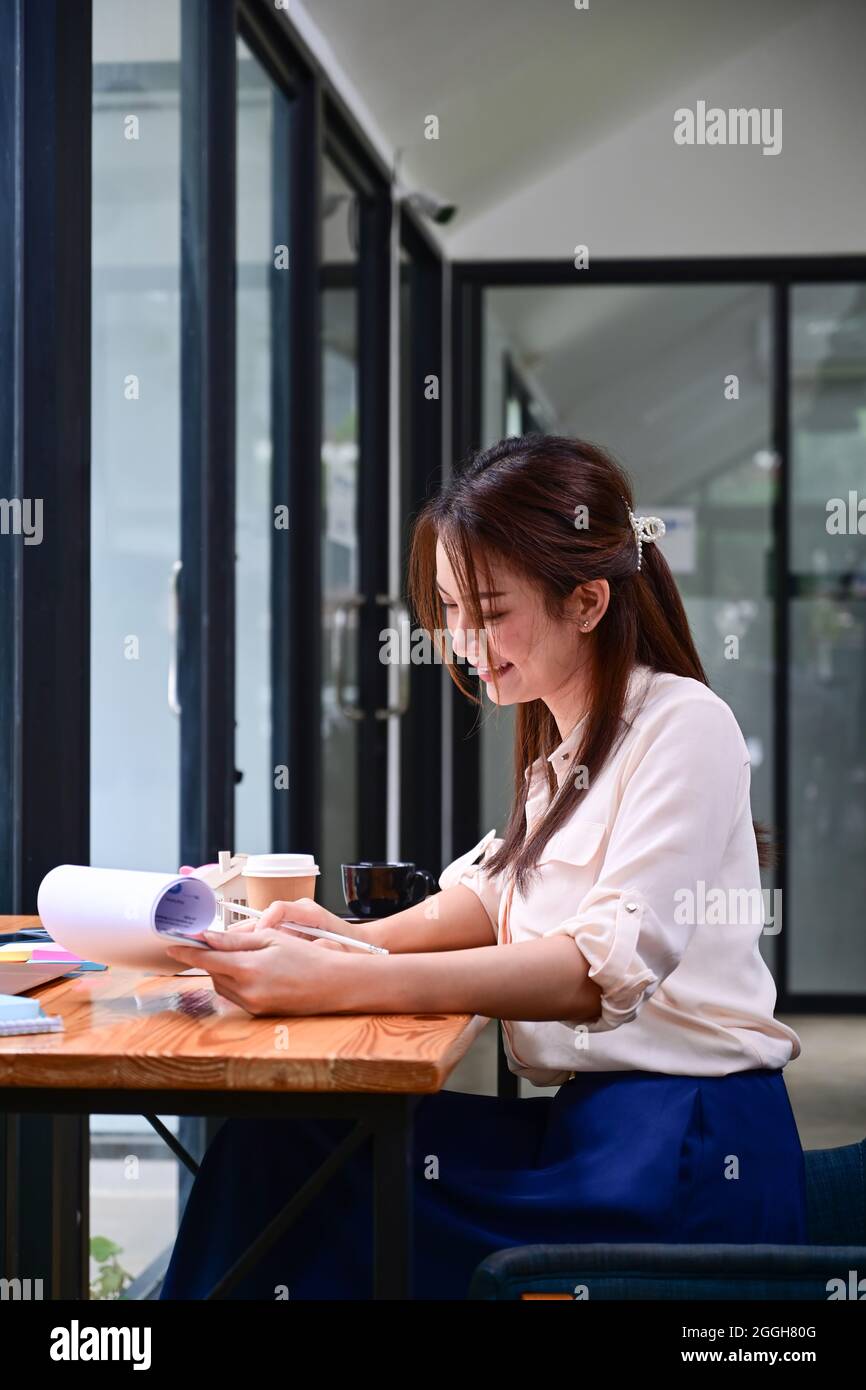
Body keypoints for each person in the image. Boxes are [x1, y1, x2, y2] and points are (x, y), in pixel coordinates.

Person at [159, 434, 807, 1301]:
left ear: (587, 601)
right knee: (280, 1142)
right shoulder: (569, 743)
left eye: (491, 610)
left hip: (682, 1159)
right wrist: (345, 942)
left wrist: (336, 981)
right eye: (453, 610)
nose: (463, 640)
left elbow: (596, 966)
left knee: (306, 1178)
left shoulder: (684, 723)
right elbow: (487, 892)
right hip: (598, 1134)